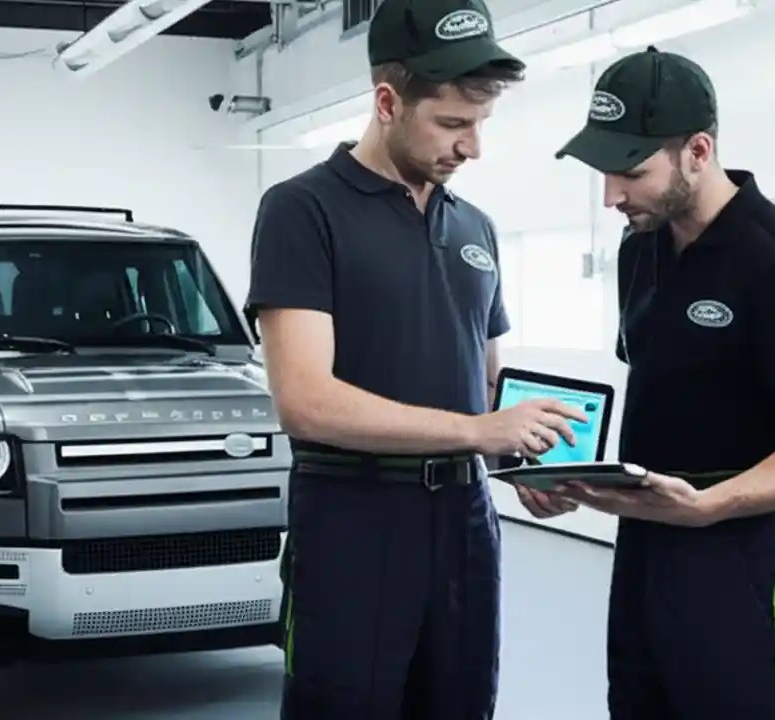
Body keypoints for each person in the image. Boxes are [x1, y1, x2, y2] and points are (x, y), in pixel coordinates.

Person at [243, 0, 589, 717]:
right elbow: (305, 400)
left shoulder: (476, 227)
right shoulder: (302, 211)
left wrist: (525, 465)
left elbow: (486, 381)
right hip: (352, 520)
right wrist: (477, 433)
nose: (472, 149)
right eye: (453, 124)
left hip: (465, 521)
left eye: (481, 125)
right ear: (387, 101)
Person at [538, 46, 775, 720]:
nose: (611, 196)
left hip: (737, 561)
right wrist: (574, 480)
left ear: (698, 151)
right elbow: (668, 398)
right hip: (644, 547)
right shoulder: (640, 250)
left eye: (631, 172)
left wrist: (711, 506)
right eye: (604, 173)